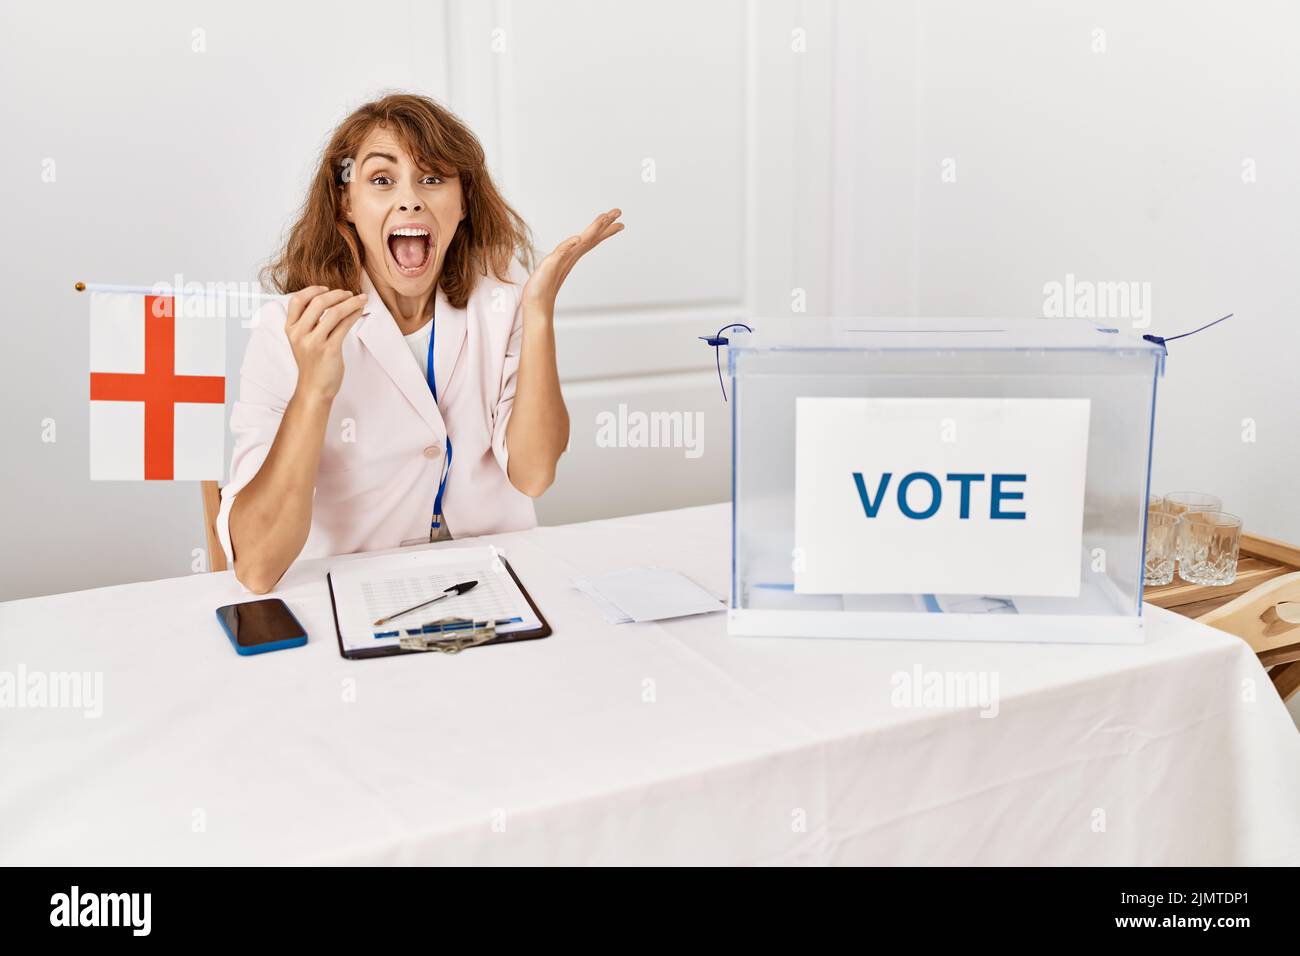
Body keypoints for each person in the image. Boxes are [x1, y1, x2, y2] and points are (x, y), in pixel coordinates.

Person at [216, 93, 623, 593]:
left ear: (463, 202)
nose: (410, 199)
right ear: (346, 203)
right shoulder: (286, 328)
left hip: (495, 582)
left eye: (432, 178)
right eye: (382, 180)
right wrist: (313, 391)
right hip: (354, 592)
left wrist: (538, 313)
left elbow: (534, 474)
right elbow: (256, 567)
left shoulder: (501, 303)